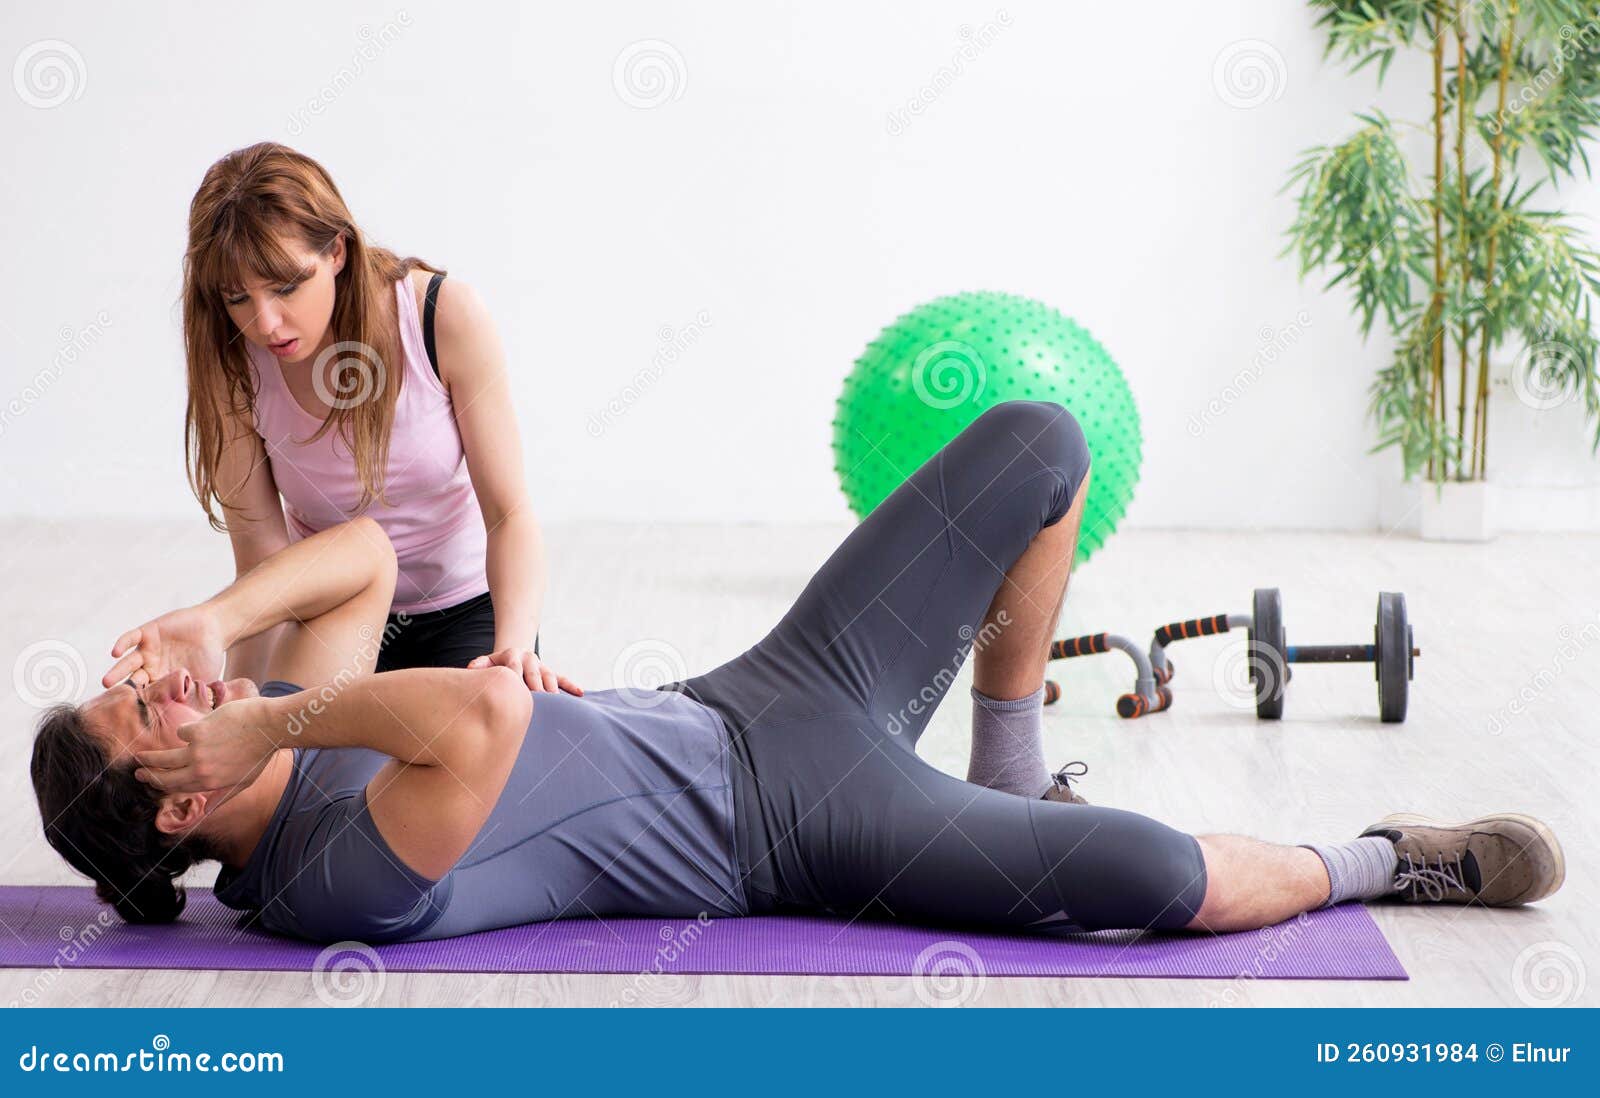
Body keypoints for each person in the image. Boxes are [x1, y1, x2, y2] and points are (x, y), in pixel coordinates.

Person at [33, 402, 1563, 941]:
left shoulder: (271, 727)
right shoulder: (320, 881)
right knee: (1162, 880)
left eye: (143, 678)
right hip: (790, 825)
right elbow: (487, 705)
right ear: (178, 811)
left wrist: (214, 629)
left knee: (1040, 440)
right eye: (149, 717)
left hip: (756, 690)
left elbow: (363, 556)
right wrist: (278, 710)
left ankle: (1007, 753)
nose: (172, 691)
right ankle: (1388, 861)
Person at [145, 140, 561, 695]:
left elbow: (509, 515)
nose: (266, 323)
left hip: (468, 610)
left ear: (337, 251)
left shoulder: (441, 316)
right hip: (332, 611)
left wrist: (512, 650)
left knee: (467, 758)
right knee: (294, 768)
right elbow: (261, 557)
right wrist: (237, 711)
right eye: (237, 298)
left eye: (287, 285)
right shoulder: (231, 359)